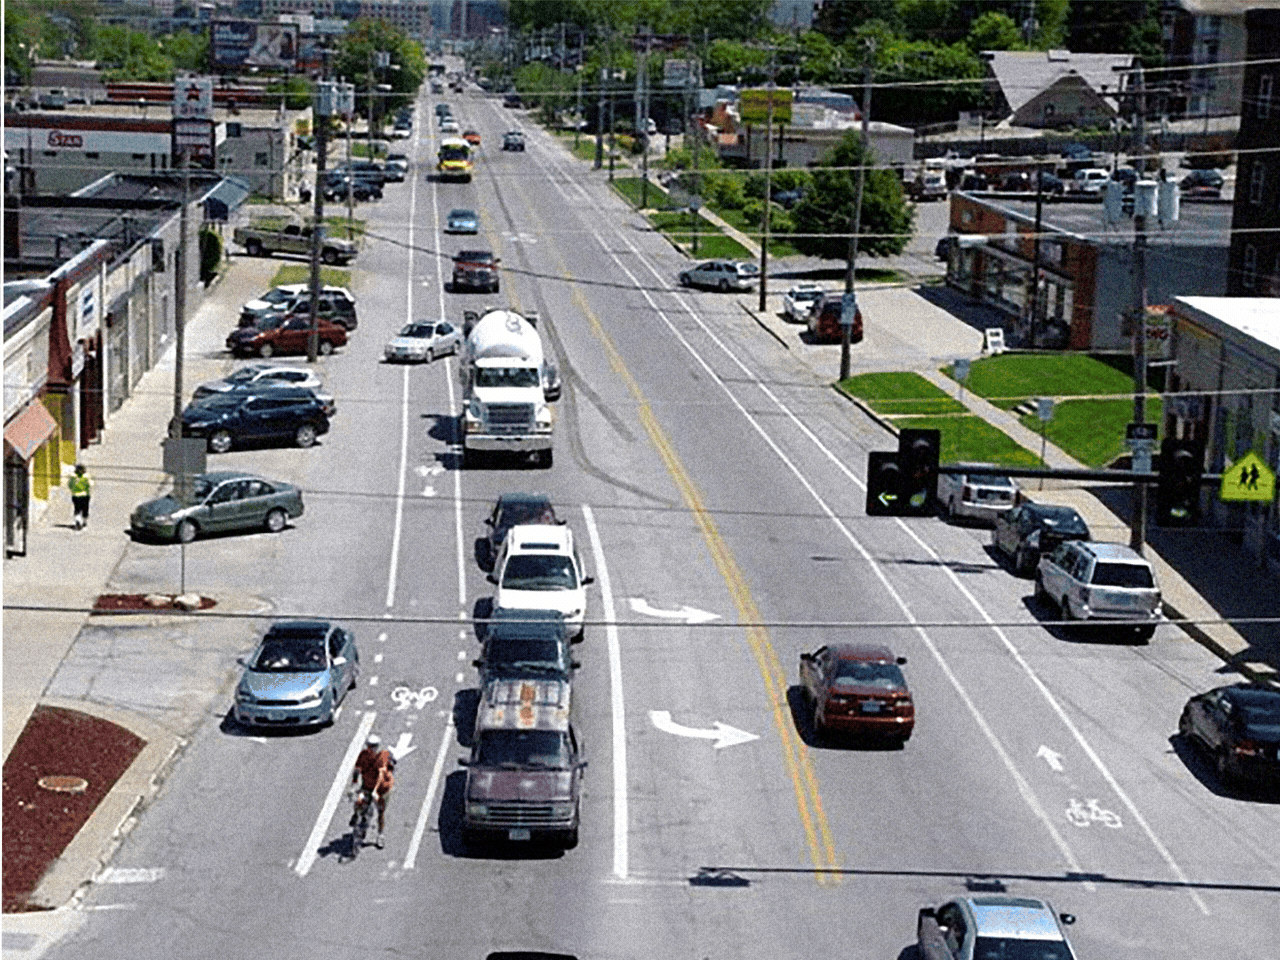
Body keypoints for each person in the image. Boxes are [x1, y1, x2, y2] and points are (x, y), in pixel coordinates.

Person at [350, 732, 394, 848]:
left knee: (380, 812)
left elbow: (380, 776)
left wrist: (375, 791)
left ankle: (380, 835)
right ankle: (357, 815)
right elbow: (357, 769)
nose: (371, 748)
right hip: (367, 786)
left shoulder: (382, 757)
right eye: (370, 745)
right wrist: (354, 784)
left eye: (373, 746)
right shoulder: (363, 755)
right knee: (359, 803)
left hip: (381, 789)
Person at [69, 464, 92, 530]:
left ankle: (77, 520)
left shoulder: (73, 476)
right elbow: (90, 484)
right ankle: (84, 522)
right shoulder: (86, 476)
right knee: (85, 508)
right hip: (85, 495)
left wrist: (73, 490)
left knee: (77, 508)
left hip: (75, 495)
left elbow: (70, 485)